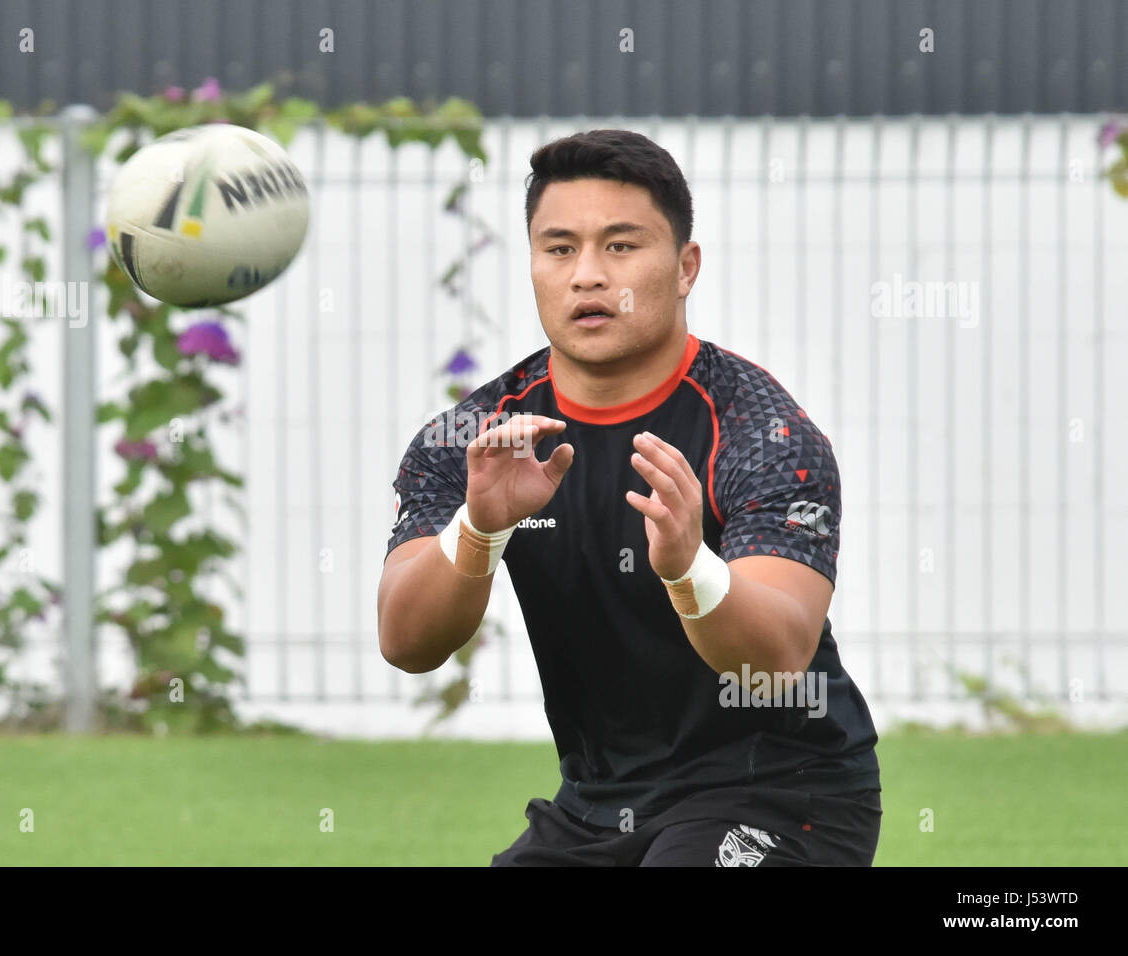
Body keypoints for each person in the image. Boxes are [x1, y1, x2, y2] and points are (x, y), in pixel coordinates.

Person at [377, 129, 881, 867]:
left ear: (685, 268)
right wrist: (479, 531)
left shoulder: (759, 432)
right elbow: (406, 643)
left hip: (782, 793)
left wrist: (686, 568)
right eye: (558, 249)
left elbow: (775, 662)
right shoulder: (474, 438)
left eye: (620, 246)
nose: (587, 275)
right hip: (596, 808)